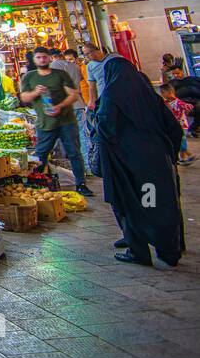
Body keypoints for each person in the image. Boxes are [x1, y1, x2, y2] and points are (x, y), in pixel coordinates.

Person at [95, 56, 185, 266]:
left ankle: (139, 250)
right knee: (156, 203)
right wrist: (168, 155)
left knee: (132, 203)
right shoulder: (149, 96)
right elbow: (174, 127)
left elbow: (106, 128)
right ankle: (169, 250)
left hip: (128, 164)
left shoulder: (111, 95)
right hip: (155, 162)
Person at [19, 47, 93, 197]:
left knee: (74, 153)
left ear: (50, 58)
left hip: (66, 121)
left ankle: (81, 183)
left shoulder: (60, 75)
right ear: (34, 59)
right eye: (38, 57)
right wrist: (36, 92)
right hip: (45, 124)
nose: (42, 60)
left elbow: (73, 95)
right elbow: (24, 98)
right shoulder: (29, 77)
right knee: (41, 155)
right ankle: (38, 184)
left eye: (44, 57)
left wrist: (60, 106)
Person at [51, 50, 93, 177]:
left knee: (67, 139)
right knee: (82, 136)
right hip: (78, 104)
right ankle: (88, 167)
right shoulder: (75, 66)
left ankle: (76, 171)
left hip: (64, 106)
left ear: (52, 57)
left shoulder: (53, 67)